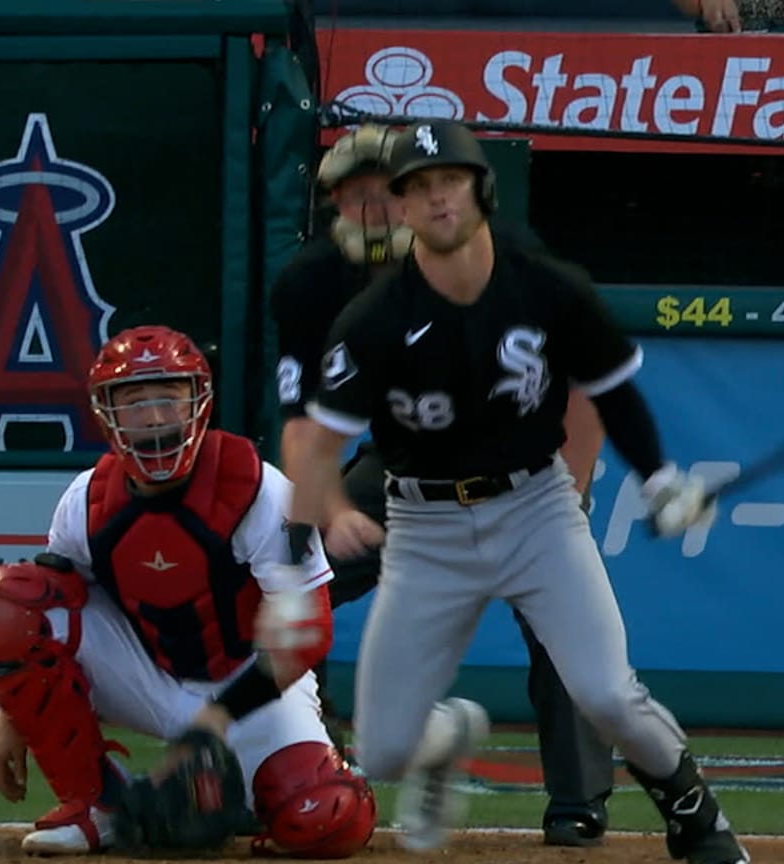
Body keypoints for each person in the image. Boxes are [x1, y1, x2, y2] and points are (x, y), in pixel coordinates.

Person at [281, 120, 750, 864]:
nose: (437, 200)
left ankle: (694, 812)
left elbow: (611, 394)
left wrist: (660, 478)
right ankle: (446, 738)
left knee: (606, 692)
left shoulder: (549, 288)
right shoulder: (372, 320)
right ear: (403, 211)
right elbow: (317, 439)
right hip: (424, 523)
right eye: (419, 189)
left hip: (536, 508)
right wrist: (331, 512)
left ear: (481, 191)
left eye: (450, 183)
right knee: (387, 747)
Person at [269, 124, 615, 847]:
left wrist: (572, 490)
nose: (367, 210)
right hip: (407, 475)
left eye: (379, 193)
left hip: (523, 471)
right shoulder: (309, 282)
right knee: (289, 584)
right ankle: (306, 760)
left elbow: (588, 374)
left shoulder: (505, 255)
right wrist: (313, 517)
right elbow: (302, 419)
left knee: (567, 627)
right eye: (349, 195)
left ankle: (578, 800)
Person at [0, 325, 376, 857]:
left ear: (198, 404)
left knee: (327, 819)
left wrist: (217, 718)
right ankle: (95, 803)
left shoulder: (259, 487)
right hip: (147, 676)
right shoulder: (87, 499)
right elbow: (42, 621)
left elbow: (308, 634)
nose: (156, 418)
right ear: (106, 413)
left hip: (247, 685)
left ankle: (272, 783)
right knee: (8, 604)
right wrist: (12, 722)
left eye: (169, 399)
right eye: (136, 403)